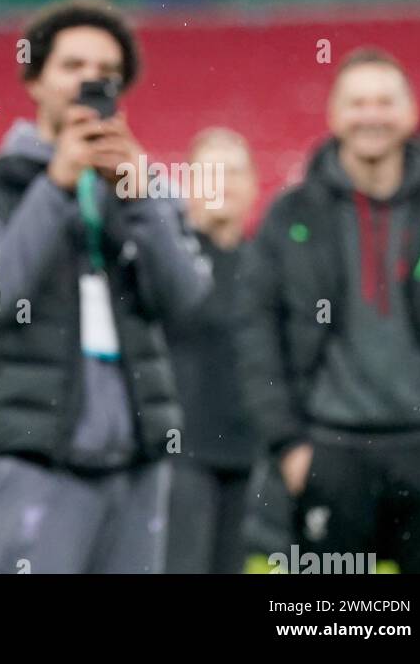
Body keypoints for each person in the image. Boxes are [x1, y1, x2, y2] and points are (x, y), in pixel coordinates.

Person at [0, 0, 211, 574]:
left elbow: (187, 301)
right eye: (73, 66)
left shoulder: (141, 189)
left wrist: (140, 198)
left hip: (137, 459)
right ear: (33, 78)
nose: (90, 81)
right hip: (37, 453)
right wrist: (56, 186)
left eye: (106, 74)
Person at [238, 47, 420, 574]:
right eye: (357, 102)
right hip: (329, 453)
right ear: (335, 115)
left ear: (409, 113)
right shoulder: (289, 217)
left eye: (385, 101)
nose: (371, 115)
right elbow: (256, 336)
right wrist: (290, 446)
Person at [164, 128, 259, 573]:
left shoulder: (265, 264)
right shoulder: (165, 259)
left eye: (235, 171)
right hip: (182, 453)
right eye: (211, 171)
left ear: (254, 185)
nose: (224, 182)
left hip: (247, 454)